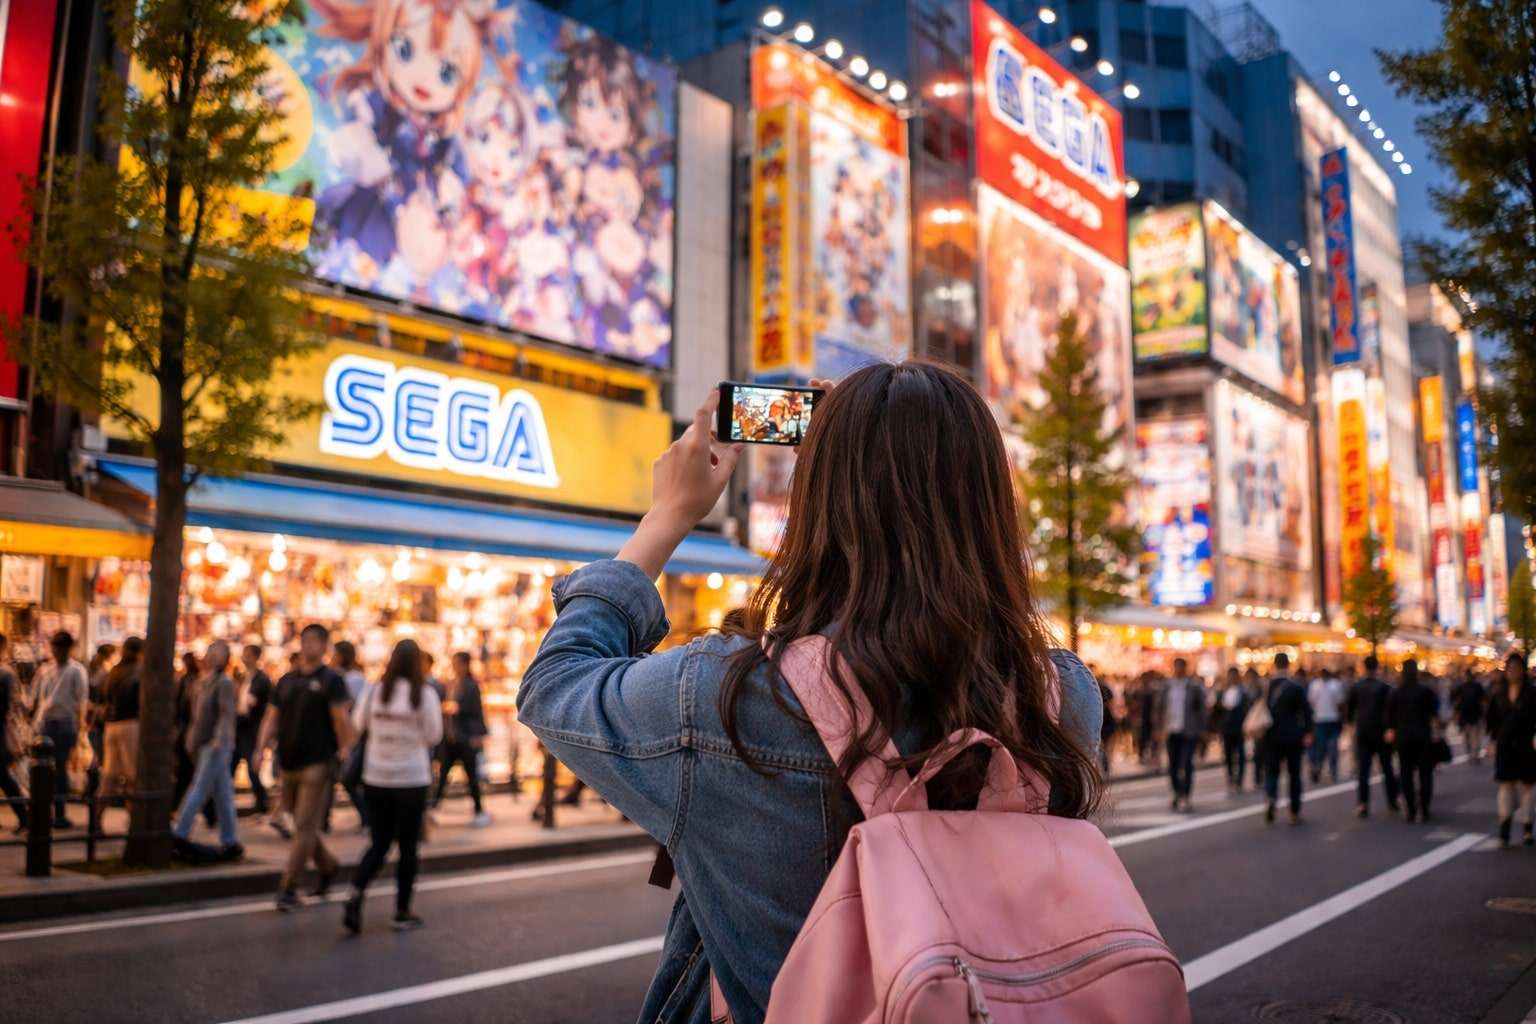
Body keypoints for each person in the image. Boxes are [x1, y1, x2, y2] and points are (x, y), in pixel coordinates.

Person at [516, 366, 1105, 1021]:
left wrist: (668, 514)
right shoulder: (1063, 698)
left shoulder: (731, 700)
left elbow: (555, 685)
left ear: (818, 502)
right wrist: (891, 421)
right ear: (991, 506)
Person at [343, 638, 443, 934]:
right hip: (411, 779)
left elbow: (358, 725)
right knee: (408, 848)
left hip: (377, 777)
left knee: (379, 843)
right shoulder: (424, 695)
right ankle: (401, 911)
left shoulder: (375, 691)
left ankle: (356, 893)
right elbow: (434, 735)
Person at [256, 623, 354, 912]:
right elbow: (271, 718)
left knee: (303, 825)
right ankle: (328, 865)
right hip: (288, 762)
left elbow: (340, 718)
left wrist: (346, 749)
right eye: (305, 640)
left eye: (315, 641)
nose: (309, 646)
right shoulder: (286, 681)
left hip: (318, 763)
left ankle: (288, 886)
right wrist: (260, 748)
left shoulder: (331, 681)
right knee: (301, 824)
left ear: (325, 647)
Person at [171, 641, 243, 859]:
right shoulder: (202, 682)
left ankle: (180, 831)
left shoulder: (223, 683)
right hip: (203, 743)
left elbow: (226, 713)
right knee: (223, 794)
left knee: (199, 788)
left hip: (215, 745)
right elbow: (195, 715)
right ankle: (230, 840)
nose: (211, 657)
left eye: (217, 654)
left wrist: (219, 739)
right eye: (211, 652)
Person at [31, 631, 89, 828]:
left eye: (61, 648)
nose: (57, 652)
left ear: (68, 649)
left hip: (65, 724)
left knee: (60, 769)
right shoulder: (45, 670)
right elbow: (37, 699)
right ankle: (46, 813)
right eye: (55, 647)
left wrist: (81, 729)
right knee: (44, 771)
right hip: (46, 724)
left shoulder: (76, 670)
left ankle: (59, 813)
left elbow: (82, 701)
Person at [1486, 652, 1536, 847]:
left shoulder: (1532, 693)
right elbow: (1490, 719)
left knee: (1528, 787)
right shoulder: (1498, 694)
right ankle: (1505, 825)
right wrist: (1493, 737)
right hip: (1505, 744)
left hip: (1526, 744)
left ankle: (1527, 827)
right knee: (1506, 786)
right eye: (1510, 669)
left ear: (1523, 671)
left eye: (1517, 668)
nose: (1513, 672)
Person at [434, 651, 489, 826]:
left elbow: (476, 712)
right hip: (451, 737)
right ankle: (434, 806)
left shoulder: (471, 686)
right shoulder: (451, 684)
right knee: (443, 775)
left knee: (471, 776)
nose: (455, 667)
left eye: (458, 663)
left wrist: (478, 734)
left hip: (466, 737)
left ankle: (479, 810)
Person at [1385, 659, 1440, 824]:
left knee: (1405, 773)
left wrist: (1391, 730)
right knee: (1425, 773)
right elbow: (1435, 712)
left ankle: (1410, 808)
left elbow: (1389, 716)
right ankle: (1424, 807)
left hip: (1403, 737)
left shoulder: (1396, 692)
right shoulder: (1425, 691)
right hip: (1423, 736)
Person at [1261, 653, 1313, 826]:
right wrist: (1308, 732)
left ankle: (1271, 797)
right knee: (1294, 774)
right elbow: (1306, 711)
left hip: (1271, 735)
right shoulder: (1296, 687)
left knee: (1272, 772)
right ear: (1288, 665)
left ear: (1274, 665)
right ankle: (1294, 810)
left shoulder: (1267, 686)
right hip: (1293, 735)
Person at [1345, 655, 1399, 818]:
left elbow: (1349, 711)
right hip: (1381, 732)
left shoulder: (1357, 687)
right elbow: (1392, 710)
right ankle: (1392, 801)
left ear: (1364, 667)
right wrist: (1391, 728)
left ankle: (1363, 804)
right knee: (1387, 768)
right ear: (1378, 668)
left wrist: (1350, 726)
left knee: (1363, 770)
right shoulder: (1385, 687)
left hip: (1363, 731)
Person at [331, 640, 370, 831]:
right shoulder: (335, 676)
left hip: (352, 737)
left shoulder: (354, 679)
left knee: (349, 778)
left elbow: (350, 709)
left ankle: (367, 817)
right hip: (339, 736)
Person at [100, 637, 144, 800]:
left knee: (109, 776)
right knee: (133, 776)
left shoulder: (115, 671)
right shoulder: (139, 670)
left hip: (112, 725)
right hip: (130, 724)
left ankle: (96, 821)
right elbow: (142, 701)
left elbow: (105, 697)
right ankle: (135, 820)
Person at [1161, 658, 1206, 812]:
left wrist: (1202, 729)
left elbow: (1202, 709)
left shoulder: (1194, 687)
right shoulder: (1167, 686)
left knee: (1186, 763)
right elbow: (1159, 707)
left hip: (1189, 731)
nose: (1178, 669)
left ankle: (1185, 796)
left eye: (1181, 667)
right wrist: (1158, 727)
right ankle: (1177, 792)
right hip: (1171, 730)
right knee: (1172, 765)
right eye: (1176, 666)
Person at [233, 645, 273, 815]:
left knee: (252, 765)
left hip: (252, 727)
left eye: (248, 655)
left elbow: (253, 702)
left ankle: (262, 800)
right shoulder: (244, 678)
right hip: (241, 726)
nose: (244, 658)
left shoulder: (262, 679)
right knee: (234, 764)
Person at [0, 635, 25, 831]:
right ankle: (24, 817)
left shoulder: (5, 673)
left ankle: (24, 817)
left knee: (4, 776)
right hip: (3, 729)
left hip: (2, 731)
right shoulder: (6, 673)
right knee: (4, 776)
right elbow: (15, 704)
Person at [1307, 666, 1346, 784]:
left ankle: (1332, 769)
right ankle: (1318, 767)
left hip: (1332, 720)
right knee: (1321, 747)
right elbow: (1311, 702)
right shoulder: (1315, 685)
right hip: (1320, 720)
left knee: (1332, 747)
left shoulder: (1335, 685)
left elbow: (1340, 703)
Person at [1217, 667, 1252, 792]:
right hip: (1226, 727)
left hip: (1239, 726)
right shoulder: (1222, 691)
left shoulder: (1244, 691)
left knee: (1240, 753)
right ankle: (1231, 776)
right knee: (1228, 754)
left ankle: (1239, 779)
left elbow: (1248, 707)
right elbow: (1217, 710)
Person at [1451, 671, 1488, 764]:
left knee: (1473, 736)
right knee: (1468, 736)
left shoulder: (1474, 686)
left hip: (1473, 714)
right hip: (1467, 714)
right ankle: (1472, 754)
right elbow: (1455, 698)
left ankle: (1474, 754)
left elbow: (1483, 699)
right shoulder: (1463, 686)